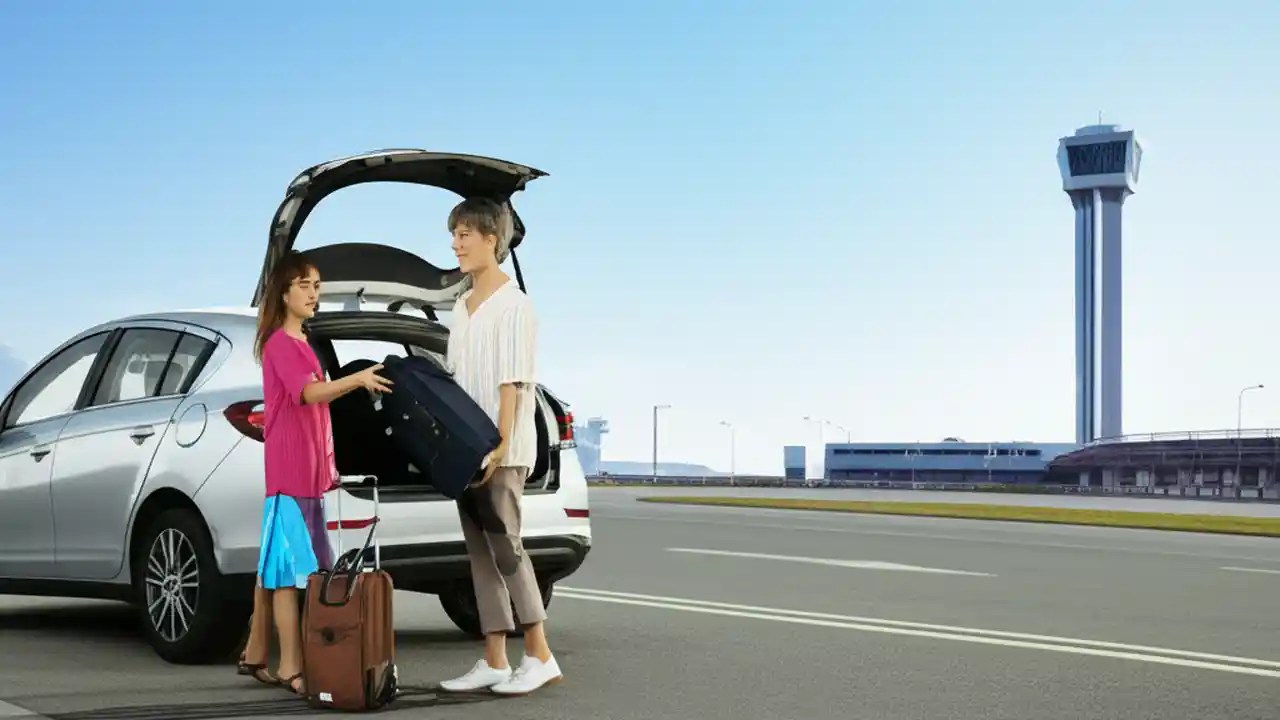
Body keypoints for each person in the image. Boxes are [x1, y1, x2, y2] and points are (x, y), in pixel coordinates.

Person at [237, 250, 392, 695]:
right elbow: (308, 395)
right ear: (283, 293)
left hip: (308, 473)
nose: (312, 294)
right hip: (288, 474)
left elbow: (316, 416)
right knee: (288, 574)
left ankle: (255, 653)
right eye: (303, 285)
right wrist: (357, 379)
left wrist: (329, 468)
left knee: (284, 568)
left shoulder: (304, 343)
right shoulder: (280, 345)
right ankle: (290, 666)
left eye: (317, 286)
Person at [438, 197, 561, 696]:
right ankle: (494, 659)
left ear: (492, 239)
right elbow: (454, 380)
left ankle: (540, 655)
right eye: (454, 235)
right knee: (480, 555)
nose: (455, 244)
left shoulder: (515, 305)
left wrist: (501, 444)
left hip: (501, 450)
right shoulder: (460, 307)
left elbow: (513, 380)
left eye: (464, 234)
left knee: (507, 548)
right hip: (468, 447)